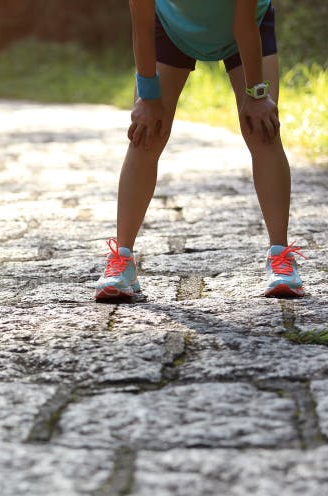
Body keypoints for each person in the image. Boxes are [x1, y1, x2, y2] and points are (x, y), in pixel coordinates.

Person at [95, 0, 306, 301]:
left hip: (245, 27)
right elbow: (142, 27)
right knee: (146, 135)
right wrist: (148, 97)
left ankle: (281, 259)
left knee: (263, 131)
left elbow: (244, 25)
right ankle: (122, 261)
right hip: (171, 28)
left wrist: (257, 95)